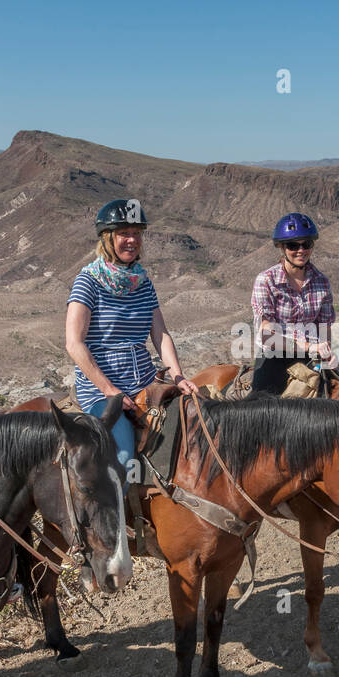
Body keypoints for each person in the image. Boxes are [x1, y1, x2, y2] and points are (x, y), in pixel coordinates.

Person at [65, 198, 198, 480]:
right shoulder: (87, 281)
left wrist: (177, 376)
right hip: (102, 389)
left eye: (137, 234)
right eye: (124, 233)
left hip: (144, 381)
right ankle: (114, 521)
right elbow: (74, 344)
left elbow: (160, 334)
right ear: (107, 238)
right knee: (124, 459)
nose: (132, 240)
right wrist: (110, 390)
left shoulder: (143, 282)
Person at [248, 212, 336, 394]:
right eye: (293, 245)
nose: (301, 250)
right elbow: (267, 334)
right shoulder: (266, 280)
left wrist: (325, 349)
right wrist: (308, 346)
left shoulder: (322, 282)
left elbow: (325, 326)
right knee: (262, 409)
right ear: (281, 247)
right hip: (274, 356)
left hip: (312, 358)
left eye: (306, 244)